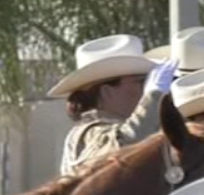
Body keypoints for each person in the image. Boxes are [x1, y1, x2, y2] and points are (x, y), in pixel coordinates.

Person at [51, 35, 179, 176]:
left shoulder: (139, 126)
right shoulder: (88, 132)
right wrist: (154, 95)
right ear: (106, 91)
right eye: (140, 82)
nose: (145, 90)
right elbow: (122, 148)